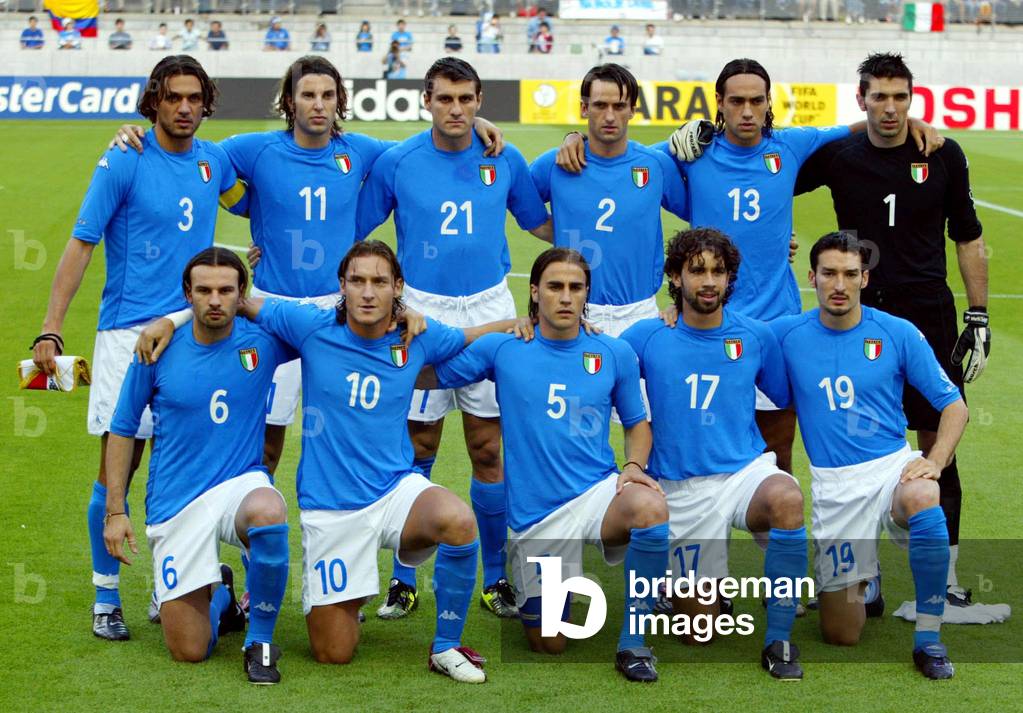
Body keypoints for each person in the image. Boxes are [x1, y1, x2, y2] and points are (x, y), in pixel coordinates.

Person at [112, 55, 505, 480]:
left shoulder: (361, 150)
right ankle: (257, 540)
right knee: (266, 443)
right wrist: (142, 135)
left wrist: (475, 125)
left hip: (340, 315)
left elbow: (428, 150)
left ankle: (352, 524)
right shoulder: (254, 149)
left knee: (349, 435)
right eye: (308, 95)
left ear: (339, 101)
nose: (319, 104)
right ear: (289, 102)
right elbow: (195, 158)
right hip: (272, 312)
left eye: (328, 95)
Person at [557, 57, 941, 475]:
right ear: (718, 102)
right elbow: (617, 155)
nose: (746, 111)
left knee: (778, 450)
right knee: (681, 442)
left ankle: (777, 534)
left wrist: (911, 123)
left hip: (776, 324)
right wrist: (576, 137)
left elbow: (852, 129)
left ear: (767, 103)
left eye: (756, 101)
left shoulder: (791, 146)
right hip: (706, 323)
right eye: (736, 101)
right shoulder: (690, 154)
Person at [30, 55, 245, 642]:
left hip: (194, 328)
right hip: (128, 331)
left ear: (206, 102)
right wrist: (52, 327)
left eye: (194, 98)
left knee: (184, 461)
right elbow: (80, 245)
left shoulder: (213, 160)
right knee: (118, 466)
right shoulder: (125, 158)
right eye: (172, 97)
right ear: (154, 100)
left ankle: (168, 583)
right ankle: (106, 596)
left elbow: (254, 195)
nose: (183, 108)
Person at [241, 241, 517, 681]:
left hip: (394, 492)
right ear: (342, 287)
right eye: (357, 281)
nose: (368, 292)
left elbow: (470, 336)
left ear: (398, 288)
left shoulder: (416, 337)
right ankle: (347, 593)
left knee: (458, 521)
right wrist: (172, 319)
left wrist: (520, 324)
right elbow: (239, 302)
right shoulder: (309, 326)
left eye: (379, 282)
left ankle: (445, 646)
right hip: (331, 509)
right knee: (334, 652)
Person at [357, 58, 552, 621]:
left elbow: (540, 225)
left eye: (467, 99)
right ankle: (403, 576)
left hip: (492, 306)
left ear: (479, 100)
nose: (457, 110)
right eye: (446, 99)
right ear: (427, 100)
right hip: (422, 312)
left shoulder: (502, 155)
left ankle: (494, 575)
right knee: (417, 447)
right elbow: (355, 231)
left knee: (489, 447)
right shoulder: (400, 161)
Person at [795, 53, 988, 607]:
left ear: (912, 97)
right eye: (878, 96)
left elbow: (968, 237)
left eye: (900, 96)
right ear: (861, 99)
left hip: (927, 315)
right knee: (859, 441)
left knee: (936, 444)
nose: (890, 107)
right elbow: (771, 173)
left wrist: (977, 314)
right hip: (856, 315)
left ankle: (946, 578)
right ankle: (862, 573)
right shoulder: (838, 155)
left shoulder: (944, 153)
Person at [423, 248, 669, 682]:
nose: (566, 297)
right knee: (547, 643)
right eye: (555, 286)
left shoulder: (612, 352)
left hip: (596, 495)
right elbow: (431, 375)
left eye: (576, 288)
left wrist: (633, 464)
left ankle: (633, 642)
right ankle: (541, 585)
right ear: (534, 291)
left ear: (586, 294)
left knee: (648, 507)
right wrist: (381, 346)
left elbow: (637, 424)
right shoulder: (505, 347)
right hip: (537, 518)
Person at [770, 232, 968, 679]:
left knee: (923, 497)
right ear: (811, 277)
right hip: (835, 487)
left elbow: (953, 405)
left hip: (889, 468)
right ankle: (866, 579)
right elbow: (724, 333)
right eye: (829, 274)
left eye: (849, 274)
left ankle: (929, 639)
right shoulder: (785, 334)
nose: (839, 284)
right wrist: (672, 312)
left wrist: (934, 460)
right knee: (842, 634)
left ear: (864, 278)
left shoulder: (896, 332)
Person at [621, 228, 808, 680]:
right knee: (699, 630)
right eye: (697, 270)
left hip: (743, 473)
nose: (709, 281)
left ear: (730, 280)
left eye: (718, 272)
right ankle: (681, 586)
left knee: (787, 498)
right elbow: (595, 364)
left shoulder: (756, 336)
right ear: (675, 277)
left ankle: (779, 639)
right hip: (681, 486)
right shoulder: (645, 336)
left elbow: (782, 396)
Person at [104, 248, 292, 684]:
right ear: (187, 294)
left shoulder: (262, 341)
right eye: (203, 290)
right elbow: (122, 429)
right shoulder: (156, 350)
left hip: (238, 485)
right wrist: (116, 511)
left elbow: (318, 322)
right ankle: (223, 595)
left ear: (240, 294)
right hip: (177, 502)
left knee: (269, 509)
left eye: (226, 290)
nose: (214, 300)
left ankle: (259, 642)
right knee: (189, 651)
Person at [530, 64, 688, 338]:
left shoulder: (657, 166)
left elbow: (701, 217)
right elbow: (516, 204)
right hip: (574, 312)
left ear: (633, 110)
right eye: (600, 105)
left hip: (639, 314)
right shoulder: (556, 163)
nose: (610, 116)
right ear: (584, 108)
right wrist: (566, 233)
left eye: (619, 105)